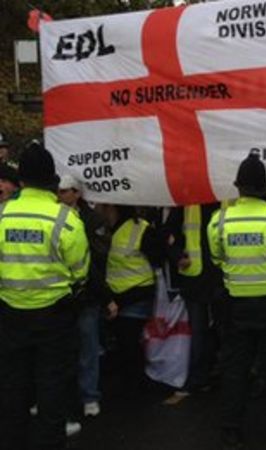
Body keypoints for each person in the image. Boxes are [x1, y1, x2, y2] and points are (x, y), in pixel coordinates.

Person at [0, 143, 90, 450]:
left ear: (21, 179)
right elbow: (80, 272)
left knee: (13, 391)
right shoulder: (66, 220)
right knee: (52, 391)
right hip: (55, 318)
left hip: (10, 315)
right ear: (50, 178)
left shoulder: (2, 215)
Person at [209, 155, 266, 449]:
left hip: (235, 307)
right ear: (264, 188)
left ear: (238, 188)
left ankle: (230, 430)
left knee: (235, 370)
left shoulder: (220, 220)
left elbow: (216, 257)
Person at [57, 176, 111, 418]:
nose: (60, 195)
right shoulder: (52, 217)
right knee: (58, 351)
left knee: (88, 349)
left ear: (77, 193)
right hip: (59, 296)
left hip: (86, 295)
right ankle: (54, 396)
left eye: (65, 191)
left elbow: (98, 260)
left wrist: (103, 295)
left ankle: (89, 395)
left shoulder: (93, 220)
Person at [164, 202, 225, 403]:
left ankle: (230, 376)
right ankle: (200, 377)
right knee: (199, 331)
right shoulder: (186, 204)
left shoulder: (226, 199)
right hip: (196, 278)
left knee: (225, 330)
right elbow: (170, 235)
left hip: (222, 277)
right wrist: (178, 256)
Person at [97, 203, 162, 387]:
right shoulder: (104, 229)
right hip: (116, 295)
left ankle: (135, 384)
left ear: (112, 208)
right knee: (123, 341)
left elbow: (156, 257)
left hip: (136, 294)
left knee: (129, 341)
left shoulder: (141, 229)